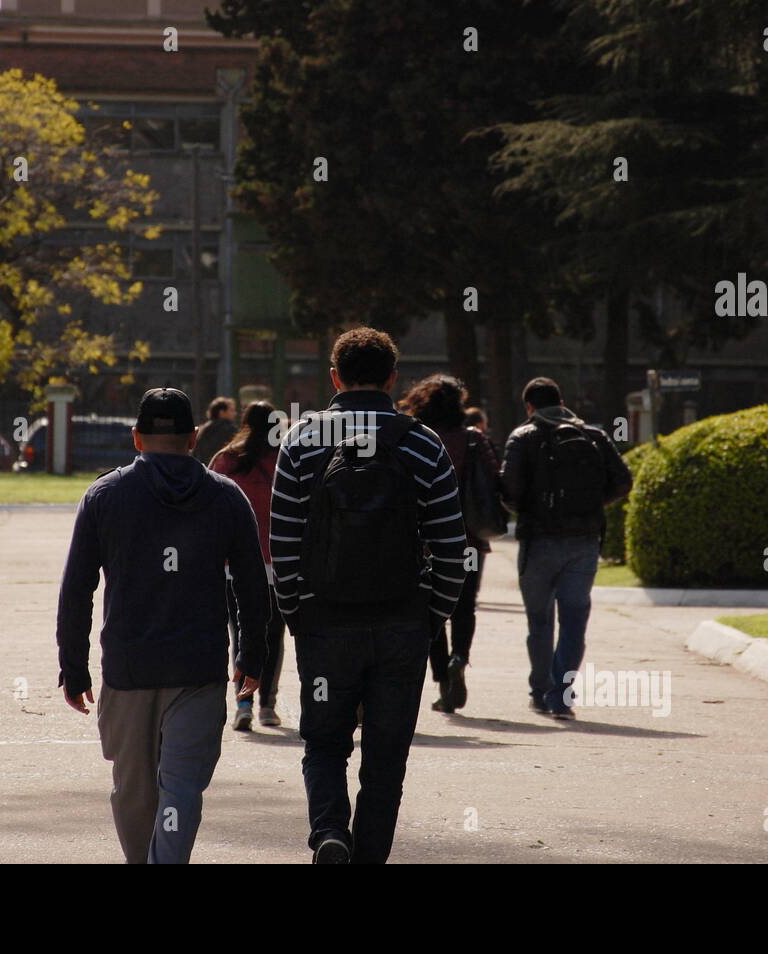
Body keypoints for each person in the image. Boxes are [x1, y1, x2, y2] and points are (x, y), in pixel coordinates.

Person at [270, 327, 466, 864]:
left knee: (324, 743)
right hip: (403, 622)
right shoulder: (422, 443)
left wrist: (296, 613)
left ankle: (331, 831)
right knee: (387, 760)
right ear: (392, 379)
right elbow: (451, 546)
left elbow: (283, 544)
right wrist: (432, 617)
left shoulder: (303, 439)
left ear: (334, 377)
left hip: (324, 622)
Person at [56, 387, 269, 864]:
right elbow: (253, 586)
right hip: (199, 667)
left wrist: (74, 668)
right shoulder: (225, 497)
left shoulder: (105, 495)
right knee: (182, 787)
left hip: (130, 668)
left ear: (136, 438)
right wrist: (251, 657)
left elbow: (76, 590)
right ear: (194, 438)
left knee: (132, 792)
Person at [501, 377, 632, 720]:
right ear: (561, 401)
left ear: (529, 407)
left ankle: (540, 692)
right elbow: (623, 481)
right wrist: (592, 506)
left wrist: (531, 509)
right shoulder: (594, 435)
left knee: (539, 621)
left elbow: (510, 491)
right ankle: (562, 697)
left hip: (538, 543)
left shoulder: (522, 437)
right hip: (584, 543)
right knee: (574, 621)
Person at [399, 376, 500, 714]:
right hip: (469, 539)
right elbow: (495, 478)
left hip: (427, 540)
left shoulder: (418, 438)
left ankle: (443, 678)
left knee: (433, 608)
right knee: (465, 604)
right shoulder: (473, 438)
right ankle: (460, 658)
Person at [210, 401, 288, 729]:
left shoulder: (225, 460)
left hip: (233, 565)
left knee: (240, 634)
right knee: (273, 636)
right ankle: (268, 705)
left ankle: (243, 702)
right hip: (280, 564)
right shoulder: (286, 460)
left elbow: (206, 507)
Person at [193, 396, 239, 465]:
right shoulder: (230, 429)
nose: (235, 413)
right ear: (221, 412)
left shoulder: (202, 430)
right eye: (231, 410)